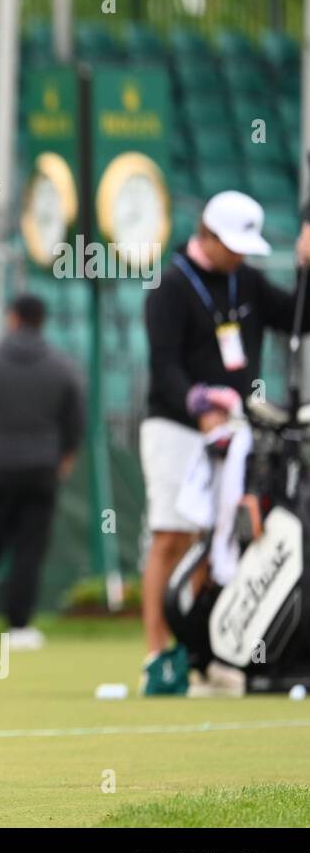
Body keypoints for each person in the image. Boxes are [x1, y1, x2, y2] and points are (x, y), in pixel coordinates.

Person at [140, 190, 310, 694]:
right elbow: (164, 365)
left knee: (216, 544)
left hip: (234, 433)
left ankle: (202, 651)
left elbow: (299, 316)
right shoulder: (170, 289)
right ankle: (156, 654)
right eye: (231, 244)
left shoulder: (247, 281)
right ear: (207, 235)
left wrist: (305, 267)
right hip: (176, 428)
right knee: (172, 537)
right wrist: (198, 403)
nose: (238, 254)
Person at [0, 294, 83, 650]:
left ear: (12, 319)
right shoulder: (63, 365)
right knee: (29, 549)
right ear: (42, 320)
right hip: (41, 470)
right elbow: (75, 415)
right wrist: (66, 455)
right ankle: (19, 628)